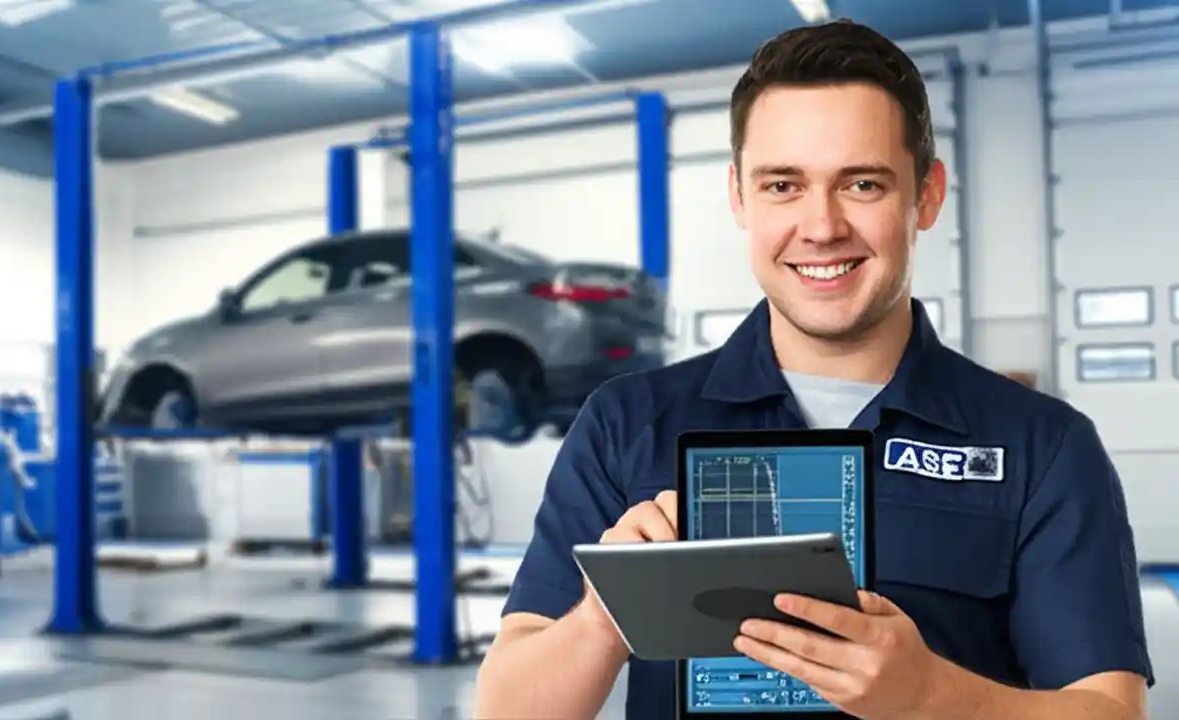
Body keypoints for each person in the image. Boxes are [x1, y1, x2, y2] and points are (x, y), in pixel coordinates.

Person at [472, 18, 1154, 720]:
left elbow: (1109, 710)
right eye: (782, 185)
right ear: (740, 196)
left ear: (926, 195)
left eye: (862, 183)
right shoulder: (626, 424)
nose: (822, 227)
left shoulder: (1042, 446)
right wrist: (601, 617)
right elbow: (507, 711)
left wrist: (930, 696)